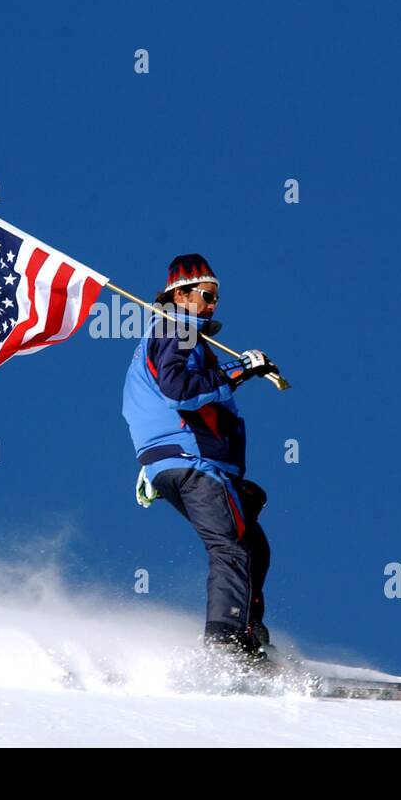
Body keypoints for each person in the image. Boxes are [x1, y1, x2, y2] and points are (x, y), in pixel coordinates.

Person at [121, 254, 281, 661]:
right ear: (181, 294)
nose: (212, 305)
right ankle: (226, 645)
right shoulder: (178, 328)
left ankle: (248, 632)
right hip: (192, 462)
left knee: (252, 544)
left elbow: (151, 400)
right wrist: (238, 370)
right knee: (231, 547)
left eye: (216, 299)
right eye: (207, 296)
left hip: (181, 462)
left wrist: (152, 462)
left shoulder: (177, 336)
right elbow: (178, 390)